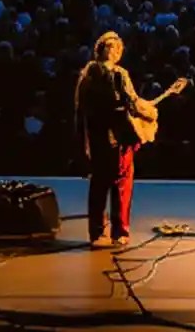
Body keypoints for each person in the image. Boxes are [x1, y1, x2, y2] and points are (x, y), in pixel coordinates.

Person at [75, 32, 150, 248]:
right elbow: (132, 103)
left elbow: (80, 112)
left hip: (99, 137)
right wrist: (148, 113)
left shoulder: (87, 75)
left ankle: (98, 232)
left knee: (99, 184)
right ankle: (120, 231)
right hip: (118, 137)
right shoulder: (118, 74)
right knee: (121, 184)